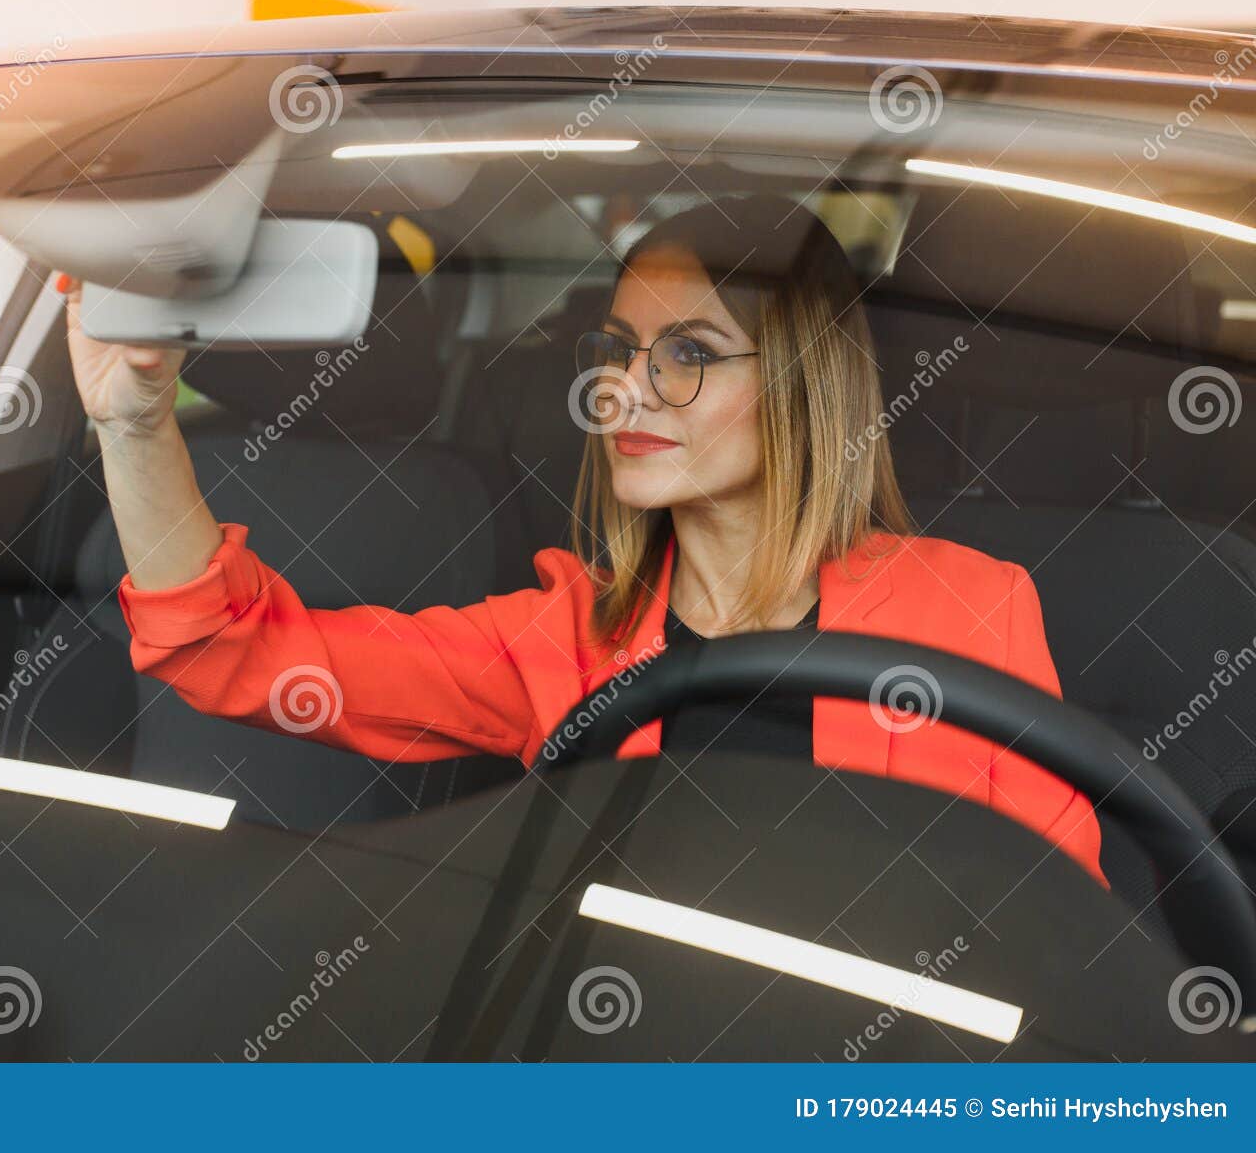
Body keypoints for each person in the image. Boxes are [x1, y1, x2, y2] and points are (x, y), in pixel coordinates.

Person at [60, 195, 1105, 886]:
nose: (624, 390)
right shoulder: (564, 639)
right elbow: (232, 650)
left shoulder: (967, 606)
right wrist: (135, 422)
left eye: (687, 353)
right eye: (617, 350)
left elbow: (1047, 923)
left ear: (801, 385)